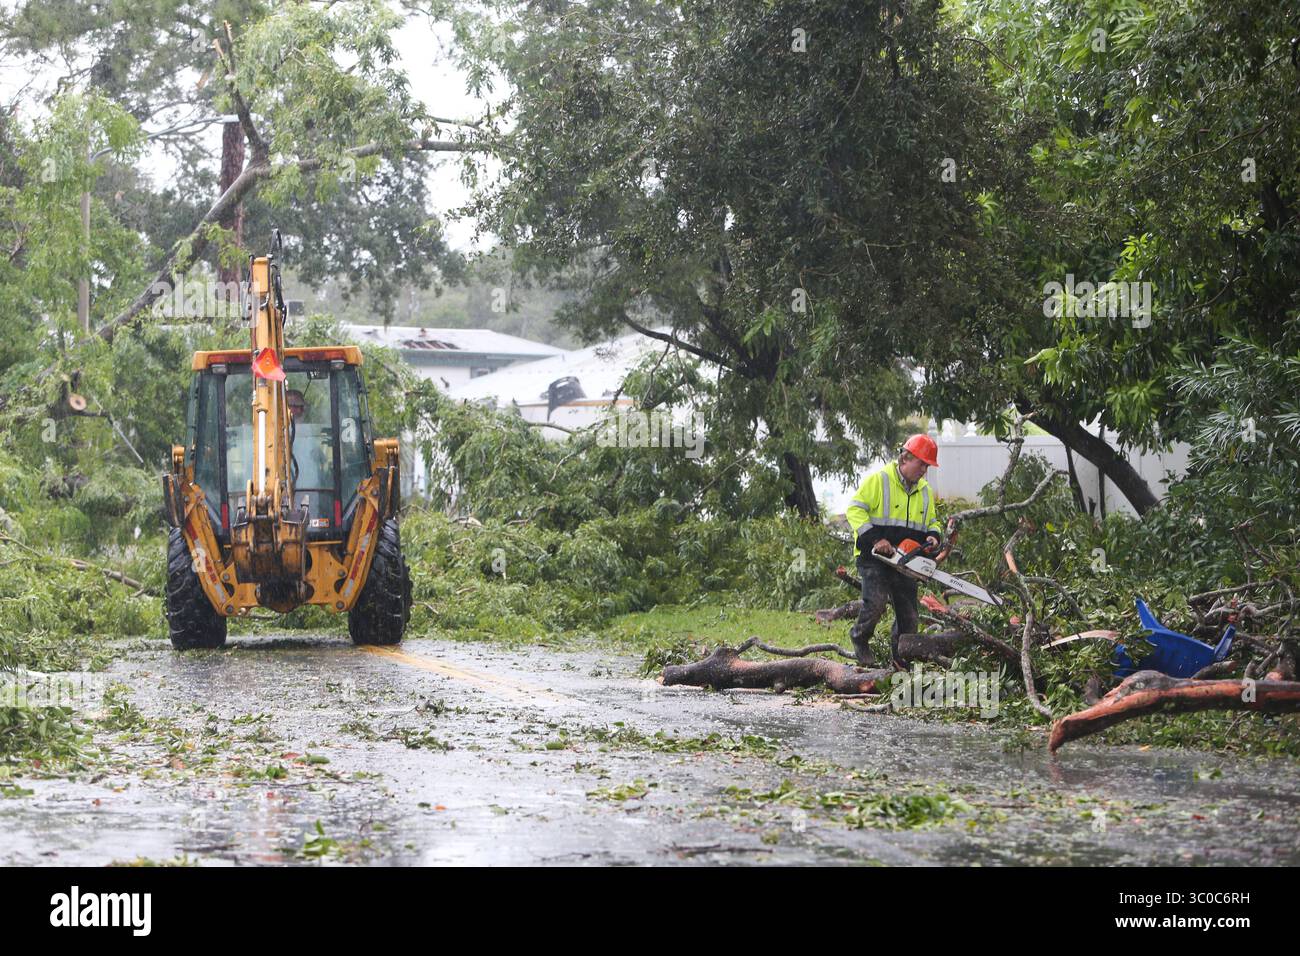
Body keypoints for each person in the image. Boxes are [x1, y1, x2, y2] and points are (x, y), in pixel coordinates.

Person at [844, 434, 943, 668]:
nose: (924, 470)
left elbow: (933, 522)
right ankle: (859, 637)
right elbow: (855, 510)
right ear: (906, 458)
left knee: (909, 616)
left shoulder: (925, 491)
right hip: (875, 557)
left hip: (906, 561)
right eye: (921, 464)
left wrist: (933, 536)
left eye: (927, 466)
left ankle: (900, 659)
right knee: (876, 603)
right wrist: (876, 539)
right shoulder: (880, 480)